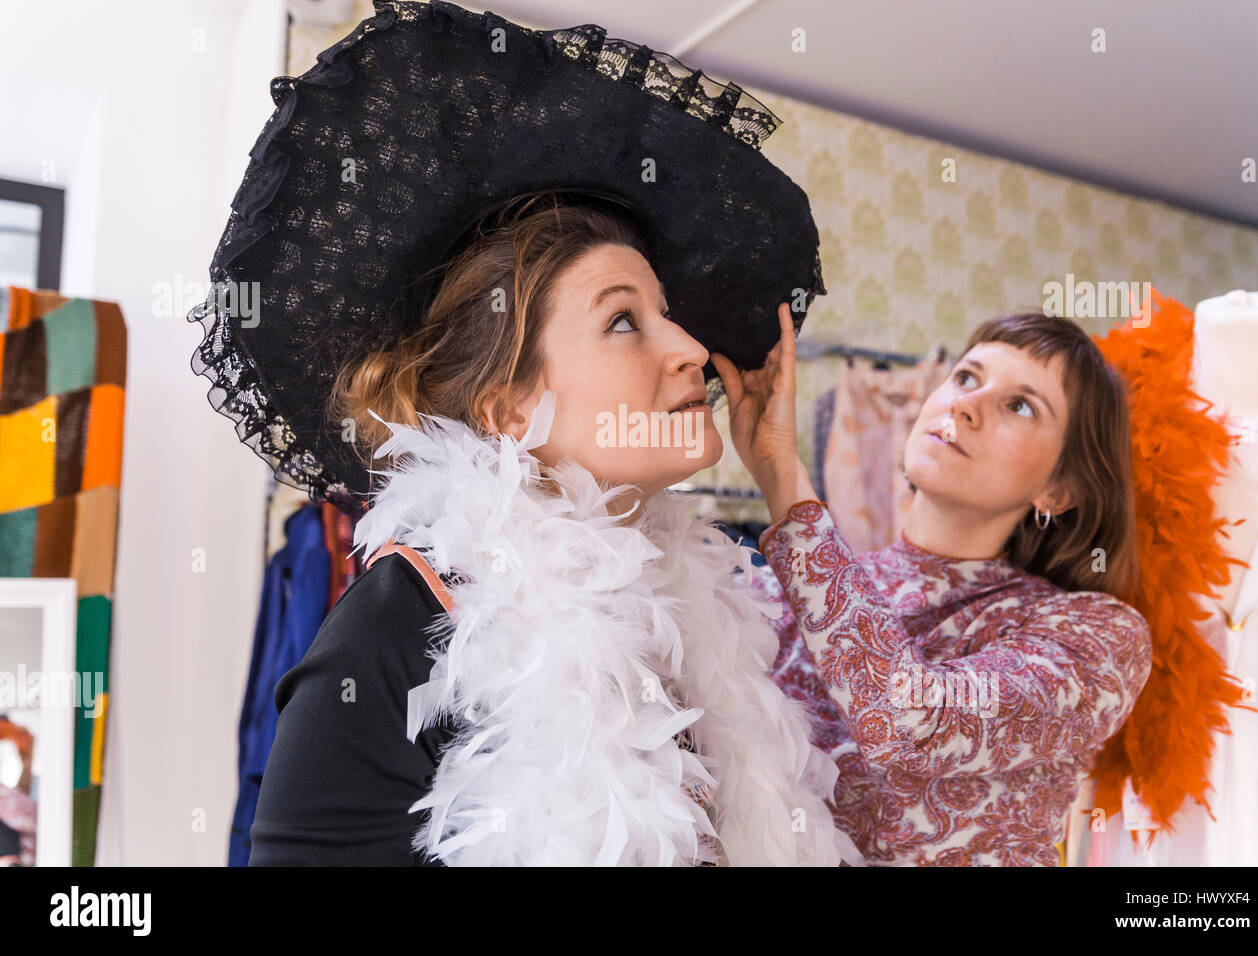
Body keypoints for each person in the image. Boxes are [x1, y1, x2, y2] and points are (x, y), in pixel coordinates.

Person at [191, 1, 862, 866]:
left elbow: (896, 740)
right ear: (508, 410)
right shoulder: (394, 640)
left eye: (671, 315)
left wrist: (780, 472)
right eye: (625, 321)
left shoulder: (694, 621)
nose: (693, 347)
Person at [712, 306, 1154, 865]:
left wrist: (781, 472)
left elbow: (906, 720)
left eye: (1020, 405)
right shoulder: (782, 592)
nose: (966, 404)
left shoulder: (1096, 638)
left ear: (1059, 490)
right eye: (967, 377)